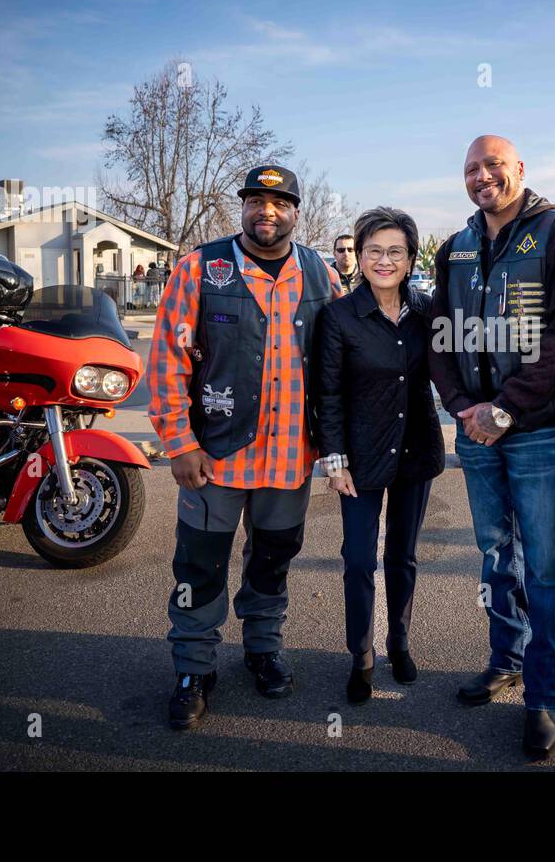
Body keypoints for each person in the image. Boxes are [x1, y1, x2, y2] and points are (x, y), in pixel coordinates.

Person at [148, 163, 342, 731]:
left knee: (272, 562)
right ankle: (192, 669)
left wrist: (335, 446)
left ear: (296, 212)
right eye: (257, 201)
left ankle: (262, 649)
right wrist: (179, 442)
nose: (267, 212)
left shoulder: (319, 273)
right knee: (198, 566)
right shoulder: (200, 269)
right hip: (214, 458)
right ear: (244, 208)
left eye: (279, 203)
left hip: (290, 459)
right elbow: (167, 359)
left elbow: (335, 363)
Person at [428, 134, 555, 757]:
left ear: (520, 169)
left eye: (493, 165)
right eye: (471, 168)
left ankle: (542, 693)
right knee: (496, 555)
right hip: (476, 434)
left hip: (539, 434)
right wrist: (461, 408)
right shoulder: (456, 248)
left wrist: (507, 407)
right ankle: (505, 659)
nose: (482, 177)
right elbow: (439, 338)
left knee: (546, 565)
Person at [316, 208, 445, 704]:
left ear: (412, 258)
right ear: (360, 256)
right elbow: (326, 394)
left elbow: (456, 368)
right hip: (358, 457)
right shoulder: (338, 317)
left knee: (403, 556)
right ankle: (362, 655)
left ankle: (400, 641)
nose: (384, 260)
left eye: (395, 251)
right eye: (374, 251)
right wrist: (334, 459)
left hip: (416, 452)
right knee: (356, 558)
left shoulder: (429, 313)